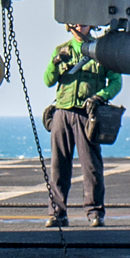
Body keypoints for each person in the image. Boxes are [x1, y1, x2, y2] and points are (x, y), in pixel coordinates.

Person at [41, 23, 121, 228]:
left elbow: (115, 82)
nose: (79, 26)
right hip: (62, 112)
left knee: (91, 166)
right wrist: (56, 63)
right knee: (58, 167)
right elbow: (48, 80)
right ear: (69, 26)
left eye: (83, 22)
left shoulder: (101, 52)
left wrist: (99, 97)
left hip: (87, 114)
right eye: (75, 22)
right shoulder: (61, 50)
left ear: (91, 25)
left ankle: (95, 212)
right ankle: (57, 213)